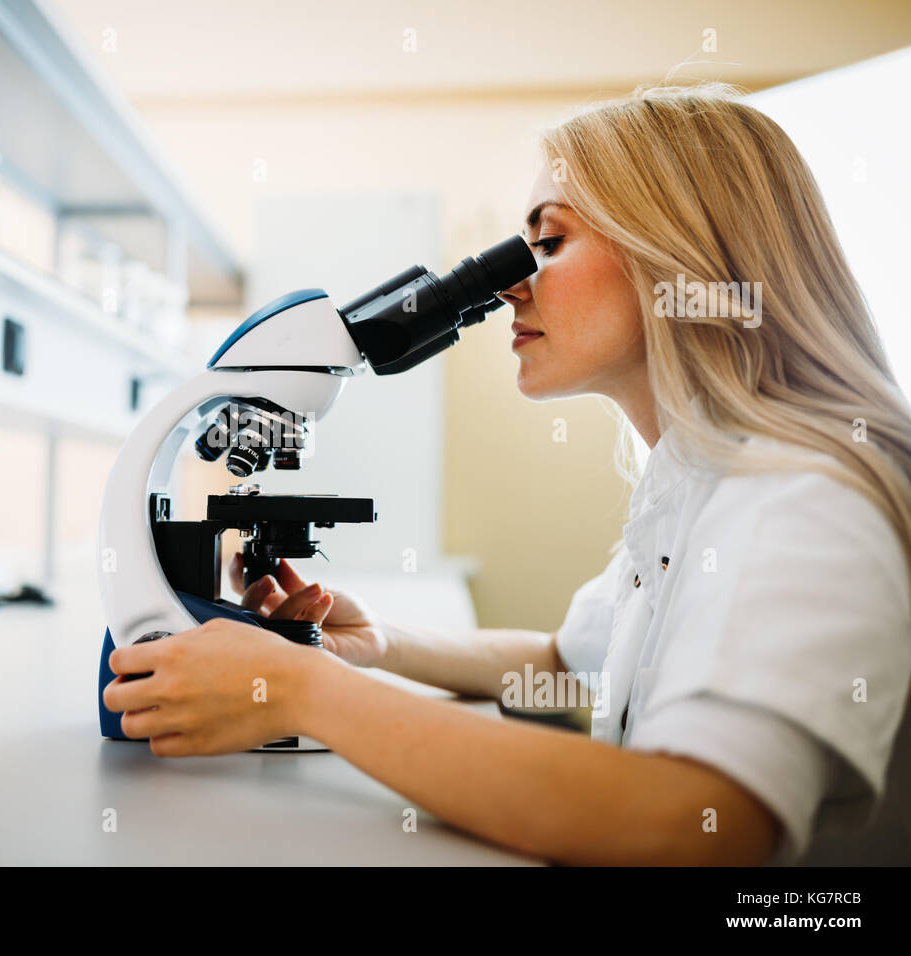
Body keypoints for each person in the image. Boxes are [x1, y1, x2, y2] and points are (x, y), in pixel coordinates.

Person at [102, 82, 911, 866]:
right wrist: (379, 646)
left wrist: (302, 691)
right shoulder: (695, 479)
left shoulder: (801, 501)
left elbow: (695, 825)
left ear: (680, 257)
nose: (512, 283)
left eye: (549, 242)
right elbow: (563, 667)